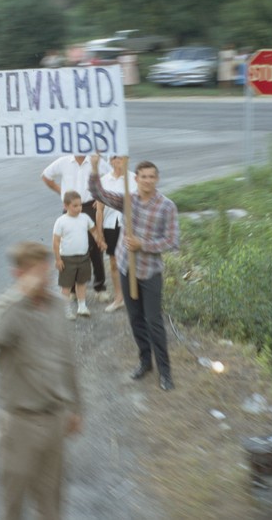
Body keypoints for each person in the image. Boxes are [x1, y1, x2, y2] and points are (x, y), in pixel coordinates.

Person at [0, 241, 82, 520]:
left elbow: (67, 361)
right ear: (19, 273)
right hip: (19, 424)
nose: (45, 276)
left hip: (54, 420)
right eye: (37, 271)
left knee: (52, 504)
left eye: (46, 269)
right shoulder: (3, 308)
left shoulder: (56, 307)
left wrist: (76, 407)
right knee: (12, 505)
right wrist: (20, 294)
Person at [89, 156, 180, 391]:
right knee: (135, 319)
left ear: (157, 179)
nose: (147, 180)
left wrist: (143, 244)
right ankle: (144, 362)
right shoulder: (129, 200)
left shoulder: (166, 206)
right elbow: (98, 194)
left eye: (152, 176)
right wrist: (95, 167)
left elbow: (172, 241)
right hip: (126, 267)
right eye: (143, 176)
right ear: (136, 179)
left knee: (154, 321)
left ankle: (165, 372)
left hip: (149, 272)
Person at [41, 155, 111, 301]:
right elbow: (46, 176)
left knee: (95, 248)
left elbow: (111, 177)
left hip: (90, 206)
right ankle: (71, 289)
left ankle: (99, 288)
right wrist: (63, 193)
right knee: (69, 246)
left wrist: (100, 196)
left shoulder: (95, 161)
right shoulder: (64, 161)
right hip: (70, 208)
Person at [94, 156, 137, 313]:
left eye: (120, 157)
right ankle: (119, 298)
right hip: (110, 225)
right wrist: (99, 233)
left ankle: (134, 297)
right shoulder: (104, 180)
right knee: (113, 262)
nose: (117, 161)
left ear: (126, 159)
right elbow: (99, 209)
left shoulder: (134, 178)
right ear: (110, 161)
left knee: (133, 259)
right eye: (114, 158)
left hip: (131, 225)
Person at [52, 191, 100, 320]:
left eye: (80, 205)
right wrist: (58, 259)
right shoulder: (61, 221)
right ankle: (66, 309)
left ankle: (82, 306)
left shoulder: (85, 218)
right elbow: (56, 241)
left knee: (81, 282)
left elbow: (93, 230)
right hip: (67, 258)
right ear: (66, 206)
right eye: (75, 205)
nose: (79, 208)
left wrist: (99, 240)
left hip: (83, 257)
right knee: (66, 286)